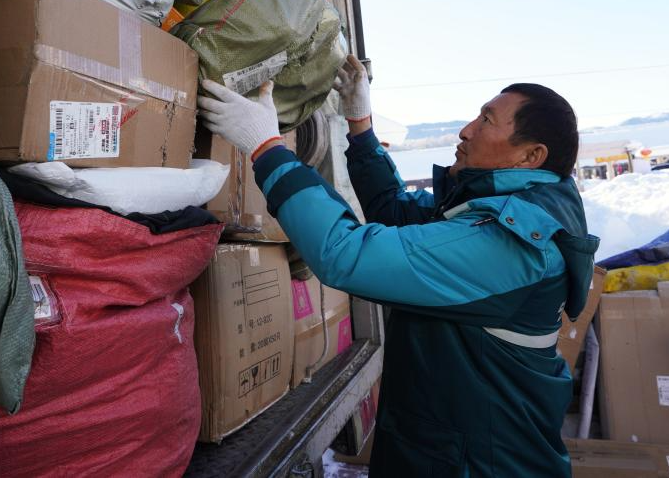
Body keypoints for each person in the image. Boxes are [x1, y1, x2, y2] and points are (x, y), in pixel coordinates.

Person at [197, 56, 600, 477]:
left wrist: (267, 149)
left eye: (486, 120)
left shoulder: (510, 242)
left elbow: (344, 254)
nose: (466, 130)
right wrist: (360, 126)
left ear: (531, 156)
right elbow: (396, 212)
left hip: (478, 463)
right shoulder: (495, 211)